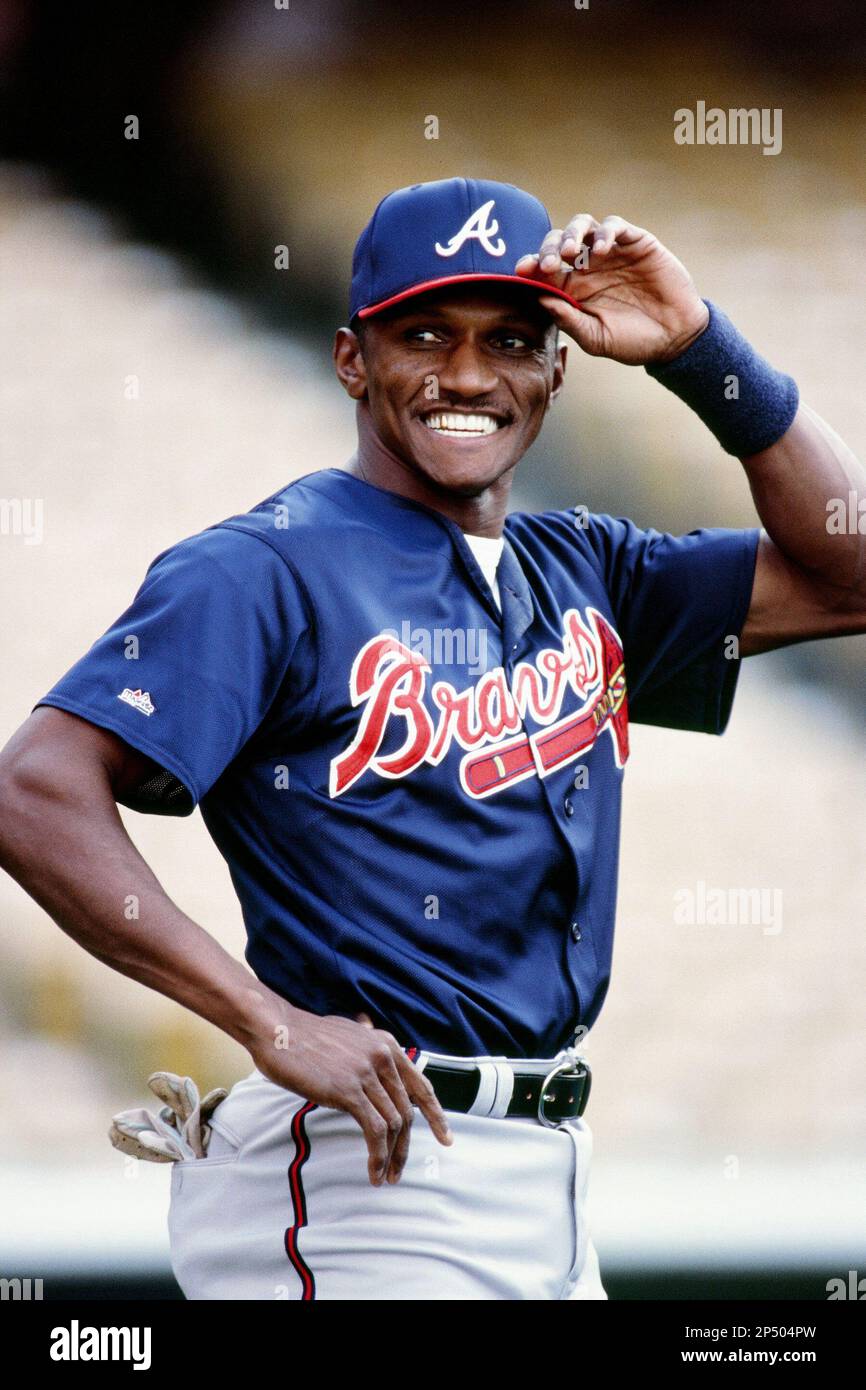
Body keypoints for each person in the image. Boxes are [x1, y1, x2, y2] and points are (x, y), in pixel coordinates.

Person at [1, 177, 864, 1300]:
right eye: (423, 334)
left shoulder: (585, 568)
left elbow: (846, 572)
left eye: (510, 339)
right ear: (351, 359)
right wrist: (265, 1021)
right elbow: (35, 787)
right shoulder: (267, 567)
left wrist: (699, 352)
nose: (467, 376)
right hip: (368, 1179)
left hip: (547, 1176)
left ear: (557, 366)